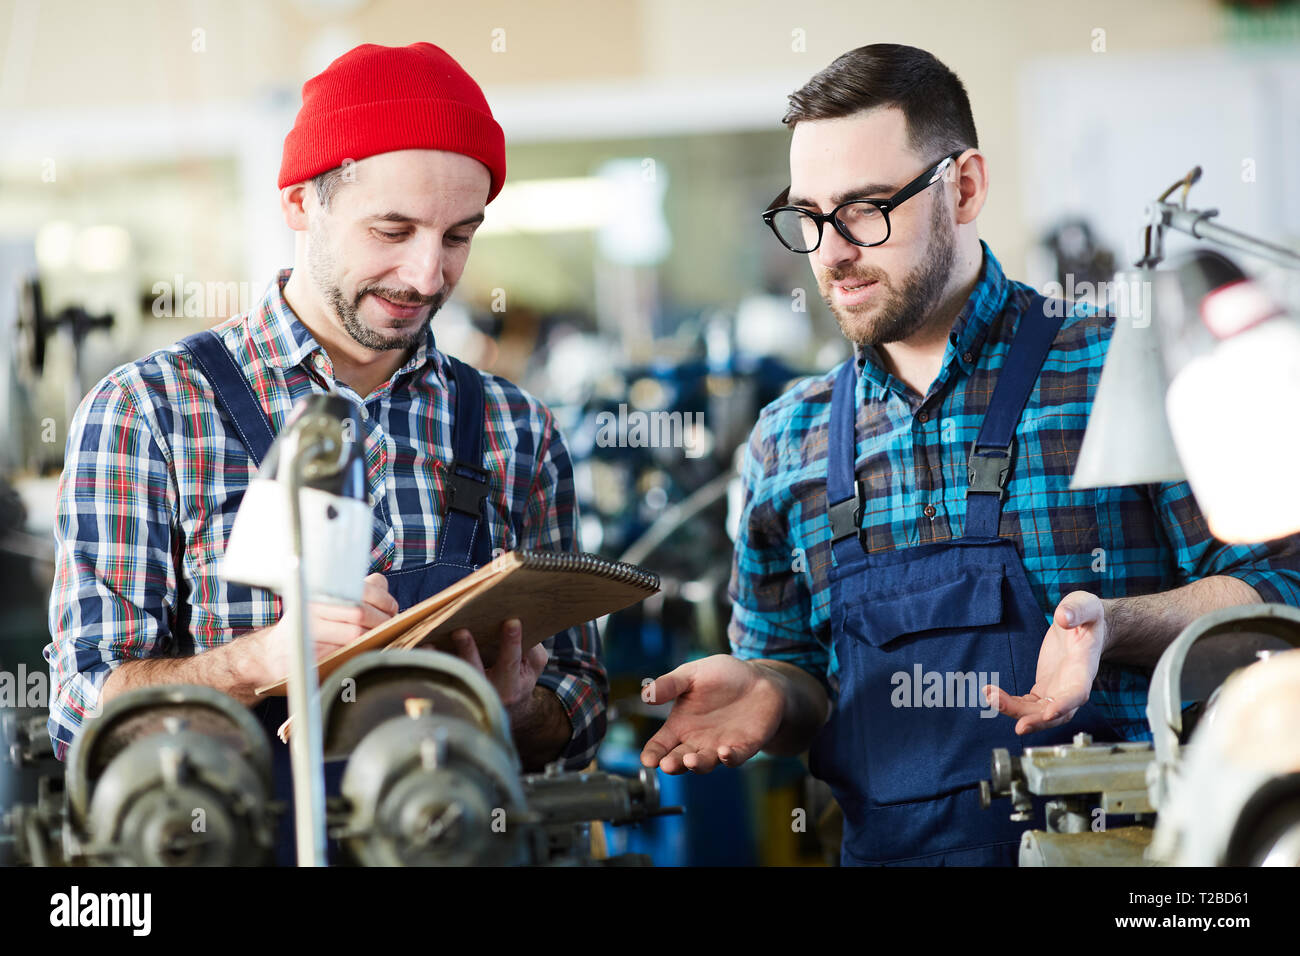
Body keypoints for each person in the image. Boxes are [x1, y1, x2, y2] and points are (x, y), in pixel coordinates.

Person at [639, 43, 1300, 866]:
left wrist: (1117, 627)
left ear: (965, 186)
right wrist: (770, 690)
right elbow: (801, 670)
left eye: (866, 208)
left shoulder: (1126, 371)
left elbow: (1283, 595)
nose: (832, 252)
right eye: (807, 216)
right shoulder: (788, 439)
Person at [46, 42, 607, 858]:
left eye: (458, 235)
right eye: (393, 228)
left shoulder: (514, 429)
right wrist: (256, 664)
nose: (425, 273)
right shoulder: (148, 413)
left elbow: (582, 708)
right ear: (301, 201)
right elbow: (80, 711)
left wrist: (513, 710)